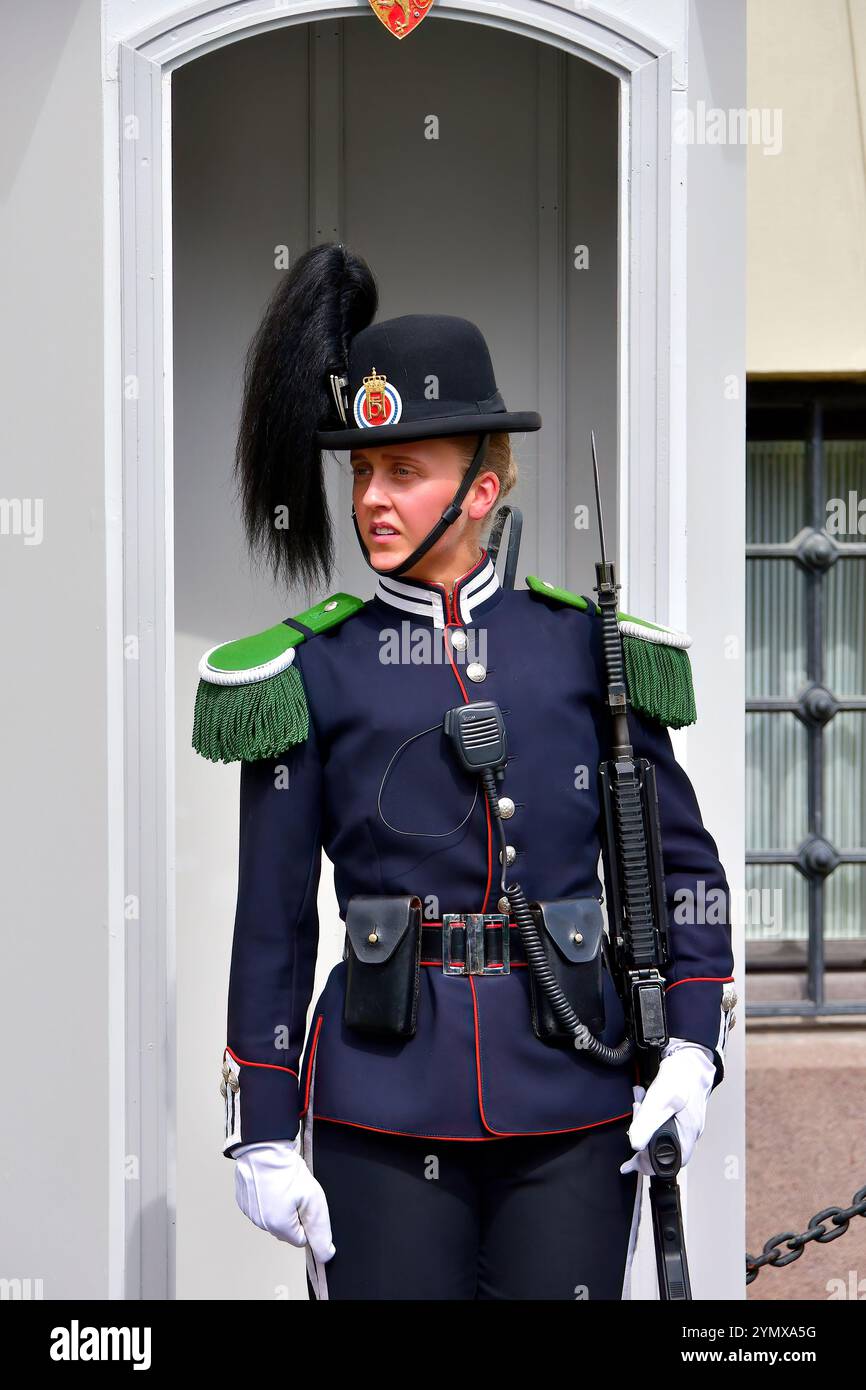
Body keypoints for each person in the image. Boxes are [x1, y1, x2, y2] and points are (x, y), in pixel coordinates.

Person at [194, 242, 736, 1300]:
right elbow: (272, 919)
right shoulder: (308, 668)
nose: (373, 501)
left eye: (404, 471)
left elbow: (680, 862)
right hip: (378, 1101)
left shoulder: (586, 646)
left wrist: (690, 1040)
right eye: (361, 472)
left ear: (480, 486)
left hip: (572, 1090)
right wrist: (260, 1127)